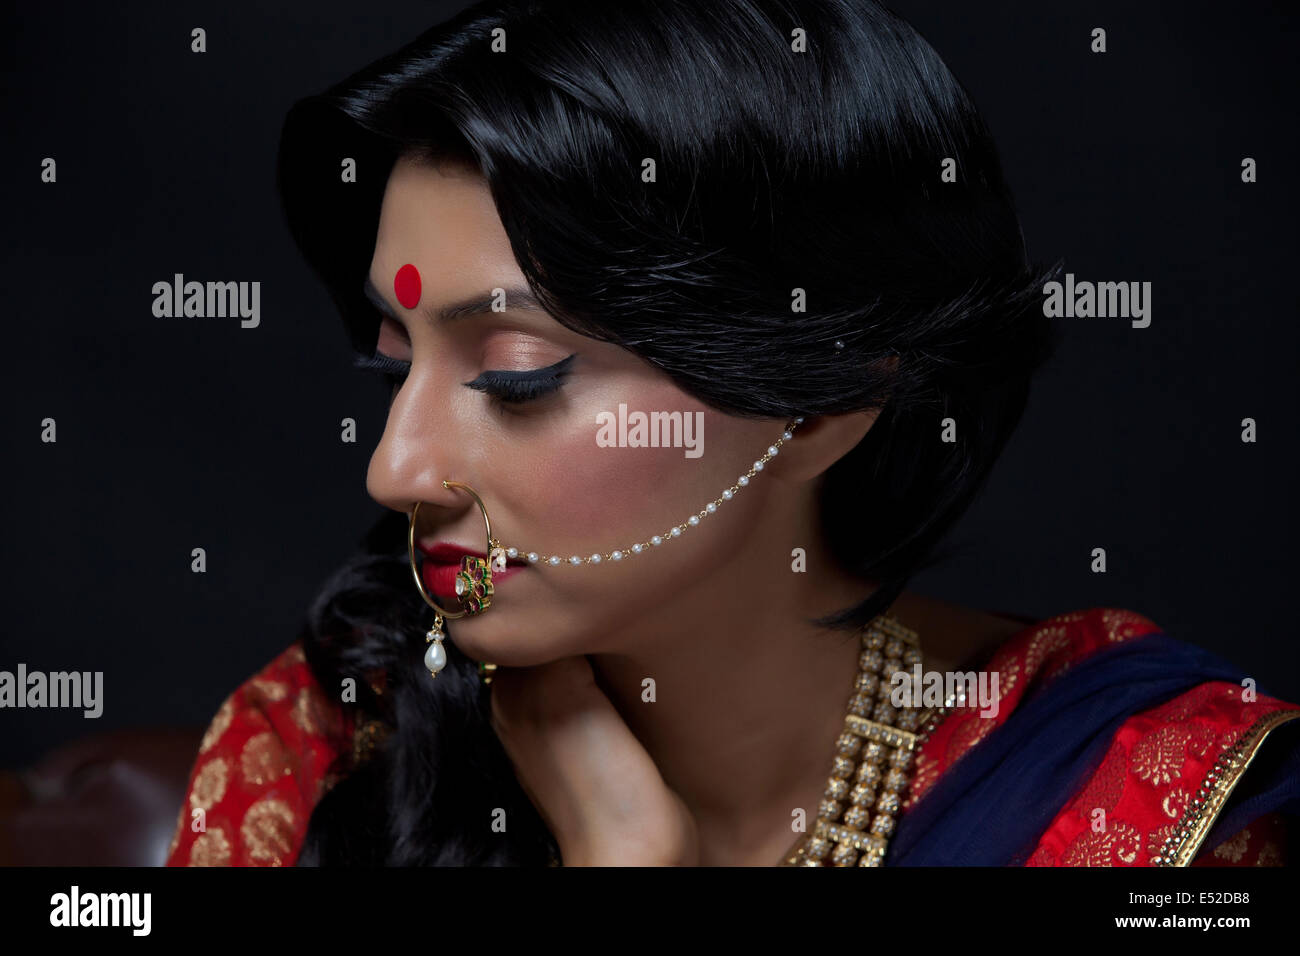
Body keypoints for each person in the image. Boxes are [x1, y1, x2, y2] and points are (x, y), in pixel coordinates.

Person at [165, 0, 1298, 867]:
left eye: (516, 375)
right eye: (395, 362)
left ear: (820, 405)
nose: (395, 467)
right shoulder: (321, 746)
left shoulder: (1136, 803)